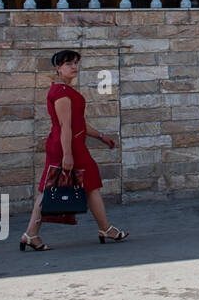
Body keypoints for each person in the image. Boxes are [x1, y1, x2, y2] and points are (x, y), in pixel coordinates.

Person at [20, 50, 127, 250]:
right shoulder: (61, 93)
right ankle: (31, 234)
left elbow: (79, 124)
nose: (74, 67)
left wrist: (102, 137)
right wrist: (67, 155)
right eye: (68, 64)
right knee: (51, 188)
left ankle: (31, 234)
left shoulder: (66, 91)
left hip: (73, 145)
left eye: (76, 63)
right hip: (65, 147)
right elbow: (66, 126)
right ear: (58, 68)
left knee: (85, 184)